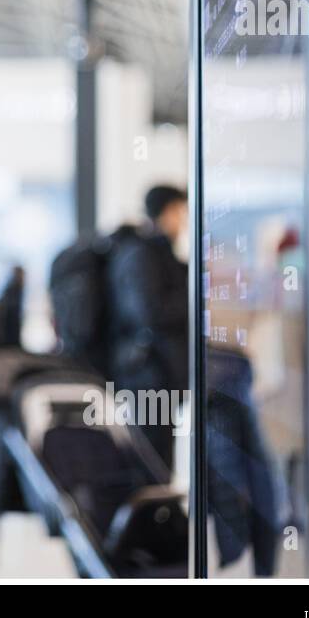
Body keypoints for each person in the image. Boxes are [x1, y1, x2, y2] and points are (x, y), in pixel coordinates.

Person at [107, 184, 189, 469]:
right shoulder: (143, 254)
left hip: (154, 373)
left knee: (157, 457)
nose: (184, 220)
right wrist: (194, 298)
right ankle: (154, 514)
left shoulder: (153, 253)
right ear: (167, 213)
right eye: (181, 211)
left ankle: (157, 512)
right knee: (153, 462)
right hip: (149, 374)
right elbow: (150, 313)